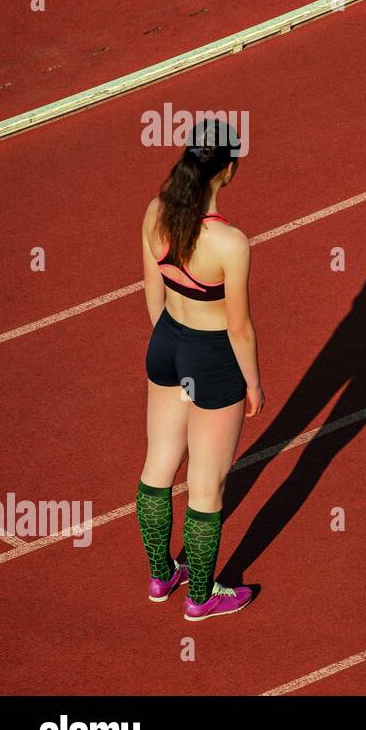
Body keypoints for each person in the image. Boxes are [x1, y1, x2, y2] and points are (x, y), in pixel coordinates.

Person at [136, 118, 262, 620]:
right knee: (208, 483)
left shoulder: (156, 212)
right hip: (211, 359)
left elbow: (152, 292)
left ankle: (161, 575)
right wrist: (252, 383)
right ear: (227, 172)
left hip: (165, 342)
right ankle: (201, 598)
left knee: (159, 465)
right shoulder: (231, 243)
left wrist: (173, 344)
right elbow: (240, 329)